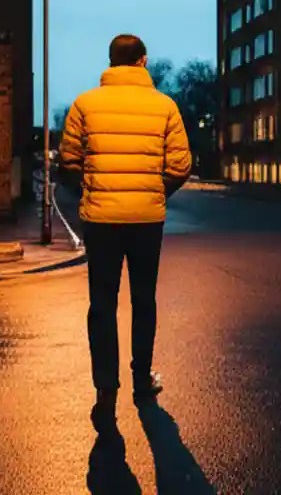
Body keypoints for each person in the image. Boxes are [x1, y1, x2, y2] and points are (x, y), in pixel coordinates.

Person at [60, 34, 192, 431]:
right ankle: (141, 379)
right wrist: (154, 191)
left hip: (101, 221)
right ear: (143, 62)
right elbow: (181, 164)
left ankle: (105, 389)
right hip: (146, 220)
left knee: (102, 305)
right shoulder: (165, 106)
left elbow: (68, 161)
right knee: (143, 300)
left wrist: (94, 189)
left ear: (110, 63)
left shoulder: (85, 104)